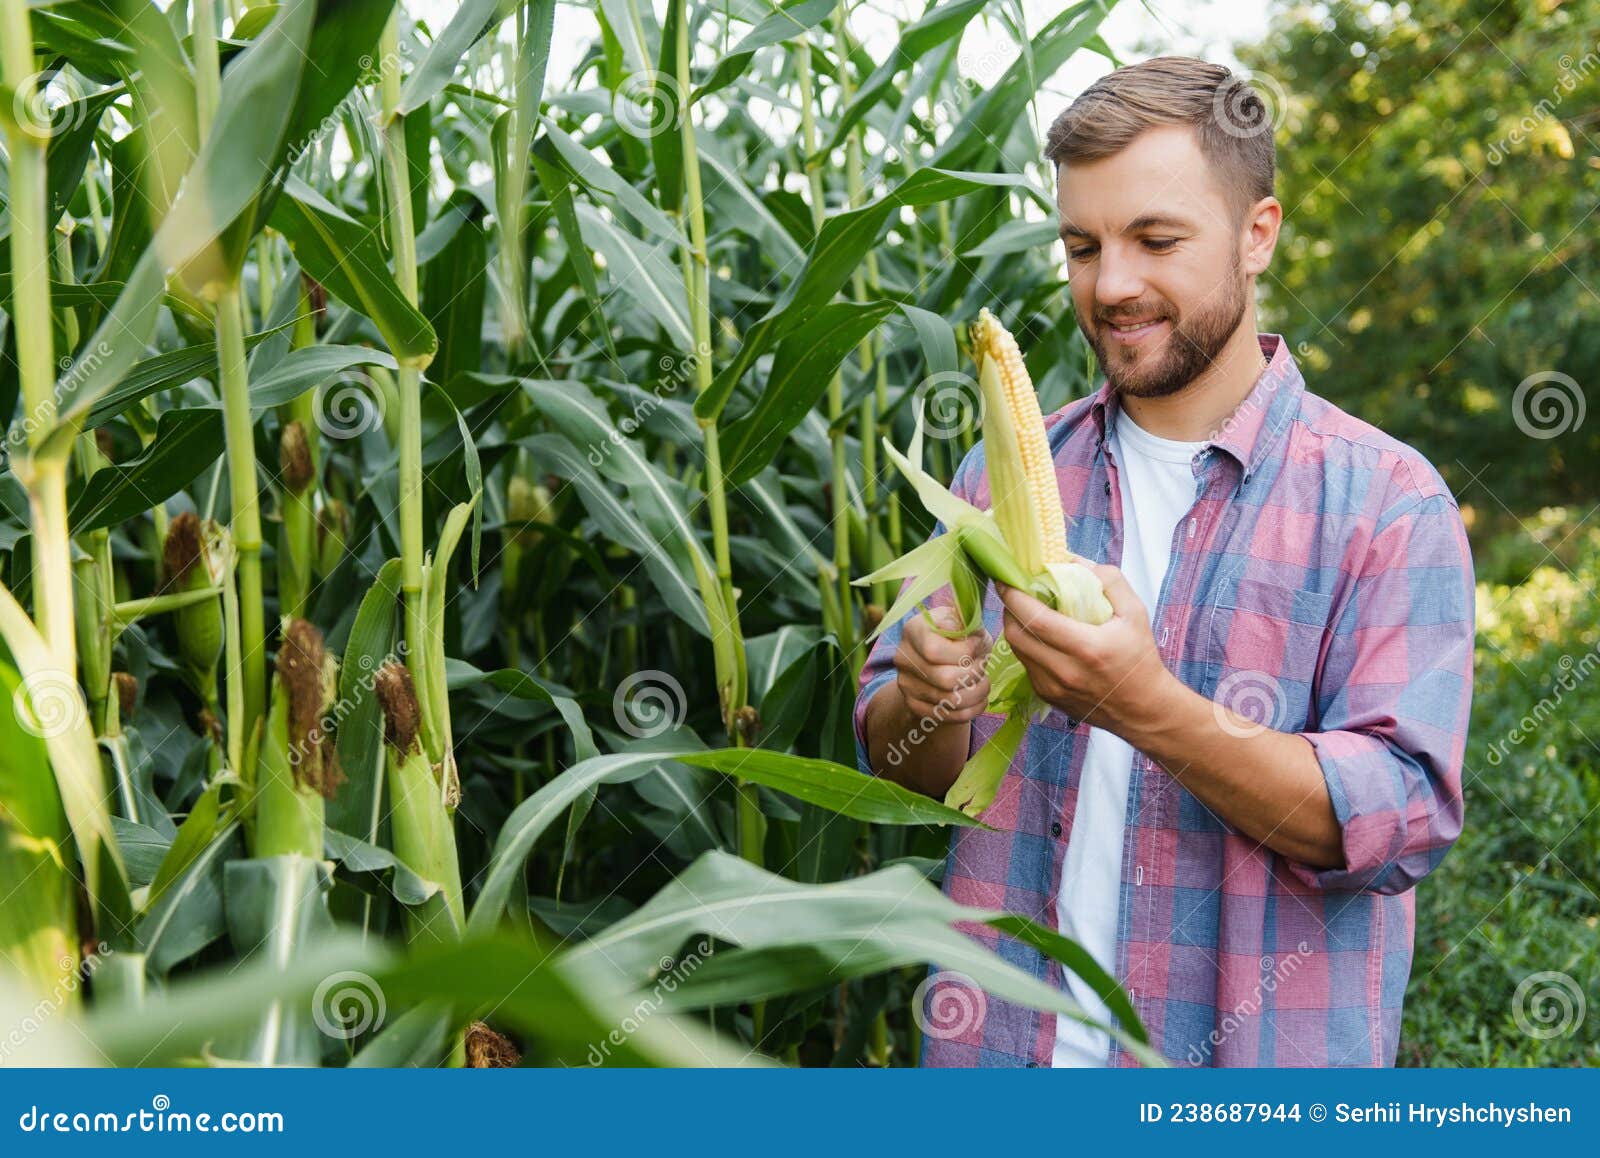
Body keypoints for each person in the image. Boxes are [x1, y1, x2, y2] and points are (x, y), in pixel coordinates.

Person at [853, 56, 1475, 1068]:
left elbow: (1398, 820)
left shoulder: (1385, 503)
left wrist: (1142, 703)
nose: (1112, 285)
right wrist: (930, 699)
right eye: (1082, 245)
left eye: (1155, 240)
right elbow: (901, 765)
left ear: (1256, 233)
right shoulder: (1003, 473)